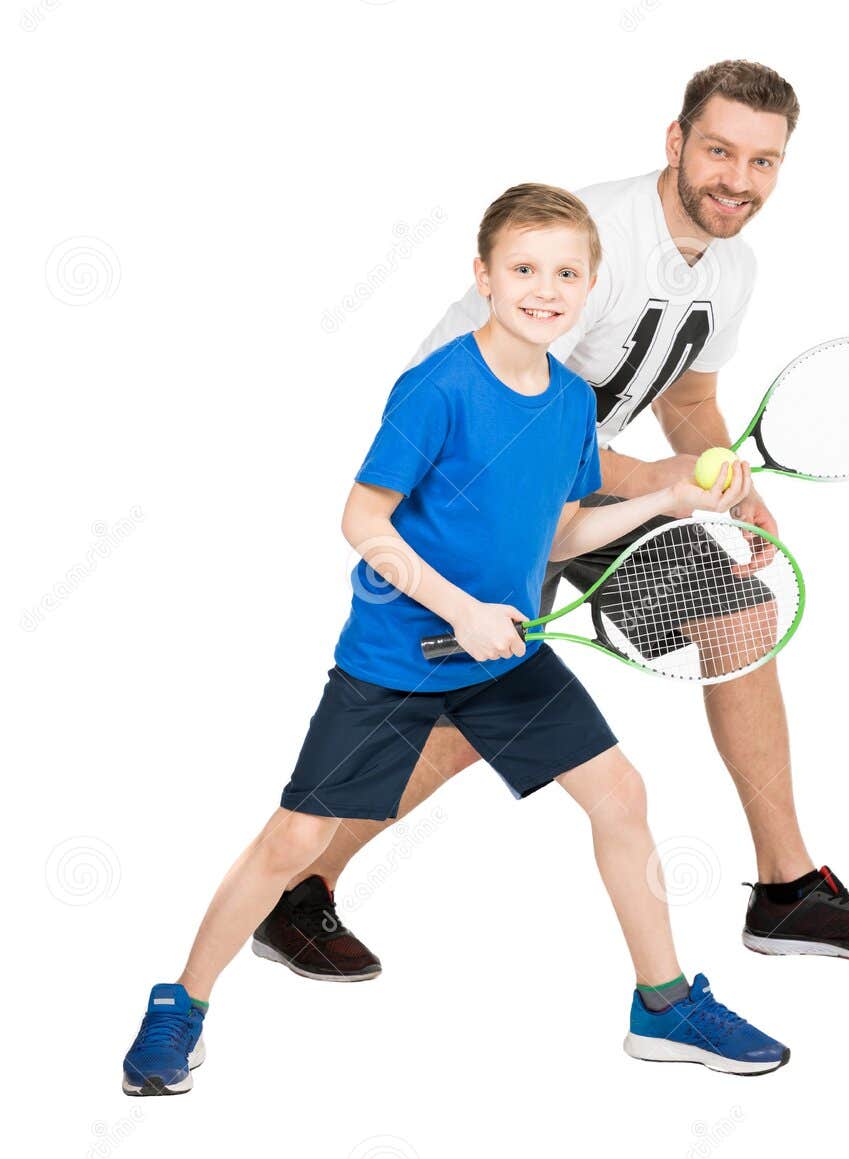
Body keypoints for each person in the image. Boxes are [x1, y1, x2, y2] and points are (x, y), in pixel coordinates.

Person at [121, 184, 790, 1096]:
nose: (544, 289)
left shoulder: (566, 406)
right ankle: (181, 1006)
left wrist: (666, 500)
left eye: (566, 273)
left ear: (591, 287)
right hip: (397, 658)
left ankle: (663, 1006)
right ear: (482, 278)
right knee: (291, 843)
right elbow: (361, 519)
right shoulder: (435, 386)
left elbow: (554, 534)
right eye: (523, 269)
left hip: (504, 659)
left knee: (620, 798)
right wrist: (459, 610)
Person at [272, 60, 849, 976]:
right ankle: (297, 888)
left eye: (763, 162)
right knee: (465, 722)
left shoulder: (729, 266)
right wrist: (659, 479)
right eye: (717, 151)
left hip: (583, 489)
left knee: (738, 619)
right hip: (474, 489)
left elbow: (689, 397)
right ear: (675, 142)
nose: (736, 180)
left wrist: (733, 484)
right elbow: (524, 423)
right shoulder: (595, 240)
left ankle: (787, 889)